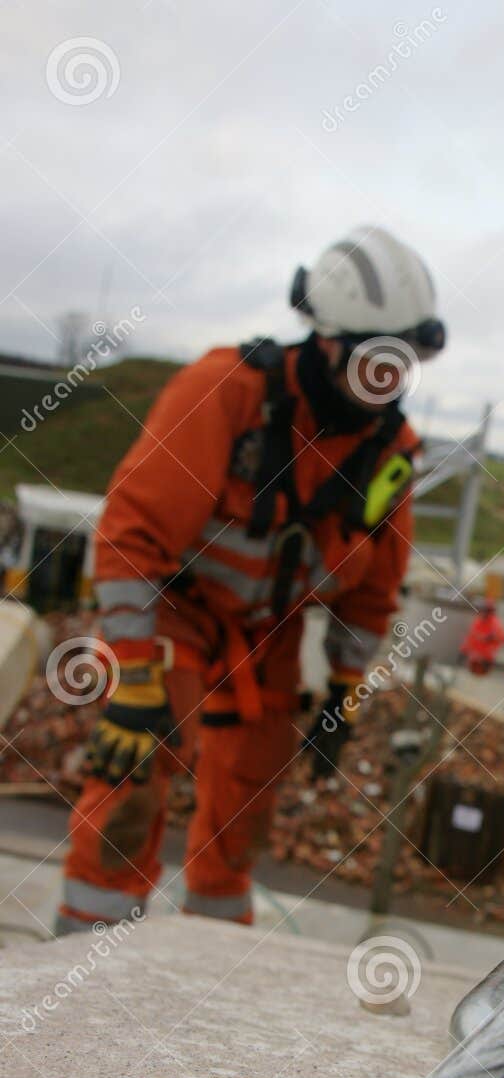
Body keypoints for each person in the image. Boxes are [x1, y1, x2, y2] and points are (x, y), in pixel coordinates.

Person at [56, 226, 444, 932]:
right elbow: (131, 537)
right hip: (177, 608)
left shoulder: (390, 452)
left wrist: (342, 695)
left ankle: (206, 969)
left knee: (246, 809)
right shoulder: (223, 393)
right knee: (130, 779)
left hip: (269, 632)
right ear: (325, 339)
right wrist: (134, 680)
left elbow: (371, 593)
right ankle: (78, 964)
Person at [460, 597, 504, 675]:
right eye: (483, 609)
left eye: (487, 610)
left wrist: (488, 656)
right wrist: (463, 650)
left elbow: (499, 640)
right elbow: (471, 637)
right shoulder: (478, 621)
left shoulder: (496, 624)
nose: (484, 612)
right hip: (474, 660)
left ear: (491, 611)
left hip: (484, 662)